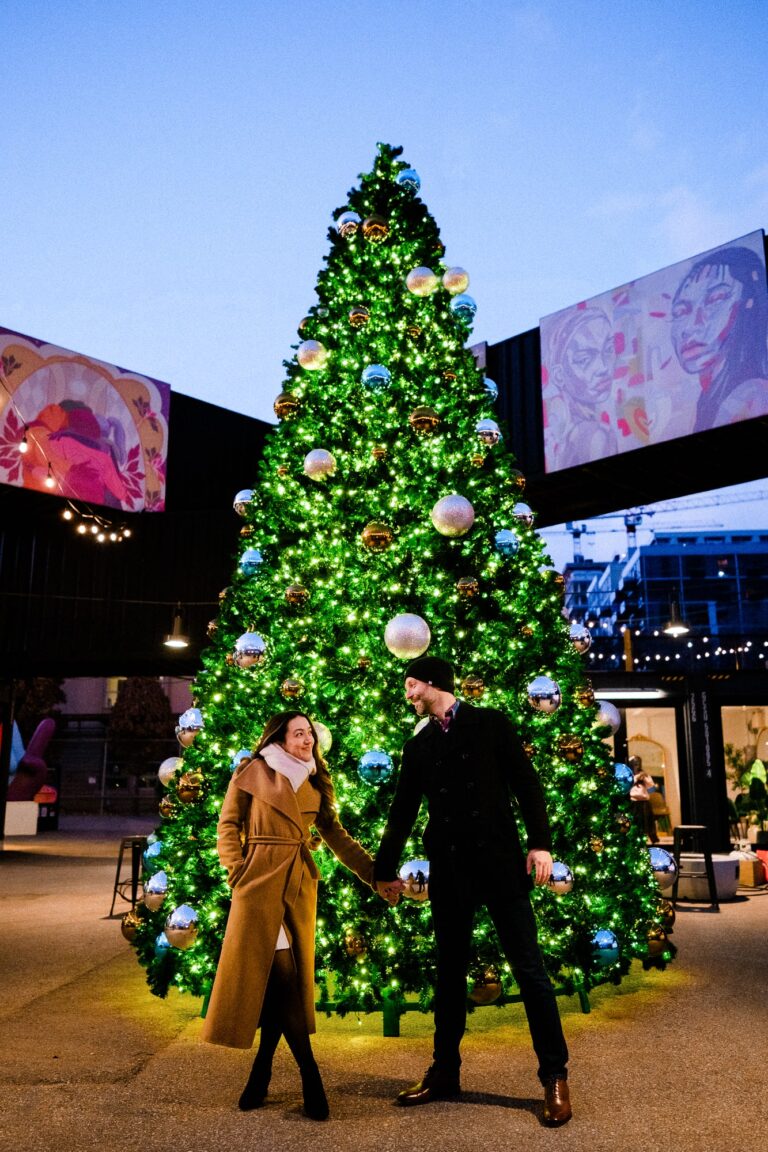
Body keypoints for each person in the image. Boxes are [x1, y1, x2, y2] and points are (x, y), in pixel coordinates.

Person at [374, 656, 572, 1127]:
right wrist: (383, 870)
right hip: (450, 869)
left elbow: (527, 785)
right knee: (448, 974)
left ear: (432, 683)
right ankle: (445, 1072)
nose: (408, 694)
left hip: (500, 863)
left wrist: (540, 844)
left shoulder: (490, 724)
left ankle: (555, 1076)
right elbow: (403, 810)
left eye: (412, 684)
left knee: (530, 971)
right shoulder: (417, 745)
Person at [201, 710, 385, 1120]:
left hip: (298, 885)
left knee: (282, 986)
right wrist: (236, 870)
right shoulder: (252, 771)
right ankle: (310, 1075)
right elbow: (227, 825)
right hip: (257, 883)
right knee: (284, 977)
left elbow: (336, 836)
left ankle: (262, 1071)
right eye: (298, 734)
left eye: (310, 735)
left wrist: (374, 874)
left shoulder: (316, 779)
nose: (307, 741)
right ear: (279, 740)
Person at [670, 245, 768, 433]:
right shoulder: (707, 400)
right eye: (680, 311)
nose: (690, 326)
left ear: (749, 303)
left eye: (715, 299)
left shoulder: (753, 396)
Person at [544, 305, 617, 470]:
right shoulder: (598, 436)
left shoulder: (566, 439)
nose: (603, 367)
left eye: (608, 350)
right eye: (584, 359)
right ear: (559, 375)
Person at [628, 755, 659, 844]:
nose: (636, 766)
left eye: (638, 764)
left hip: (644, 801)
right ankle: (634, 838)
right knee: (635, 821)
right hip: (633, 801)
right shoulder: (629, 775)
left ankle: (653, 838)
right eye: (634, 764)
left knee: (648, 821)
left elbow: (651, 789)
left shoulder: (644, 774)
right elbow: (628, 784)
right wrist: (637, 777)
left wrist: (645, 778)